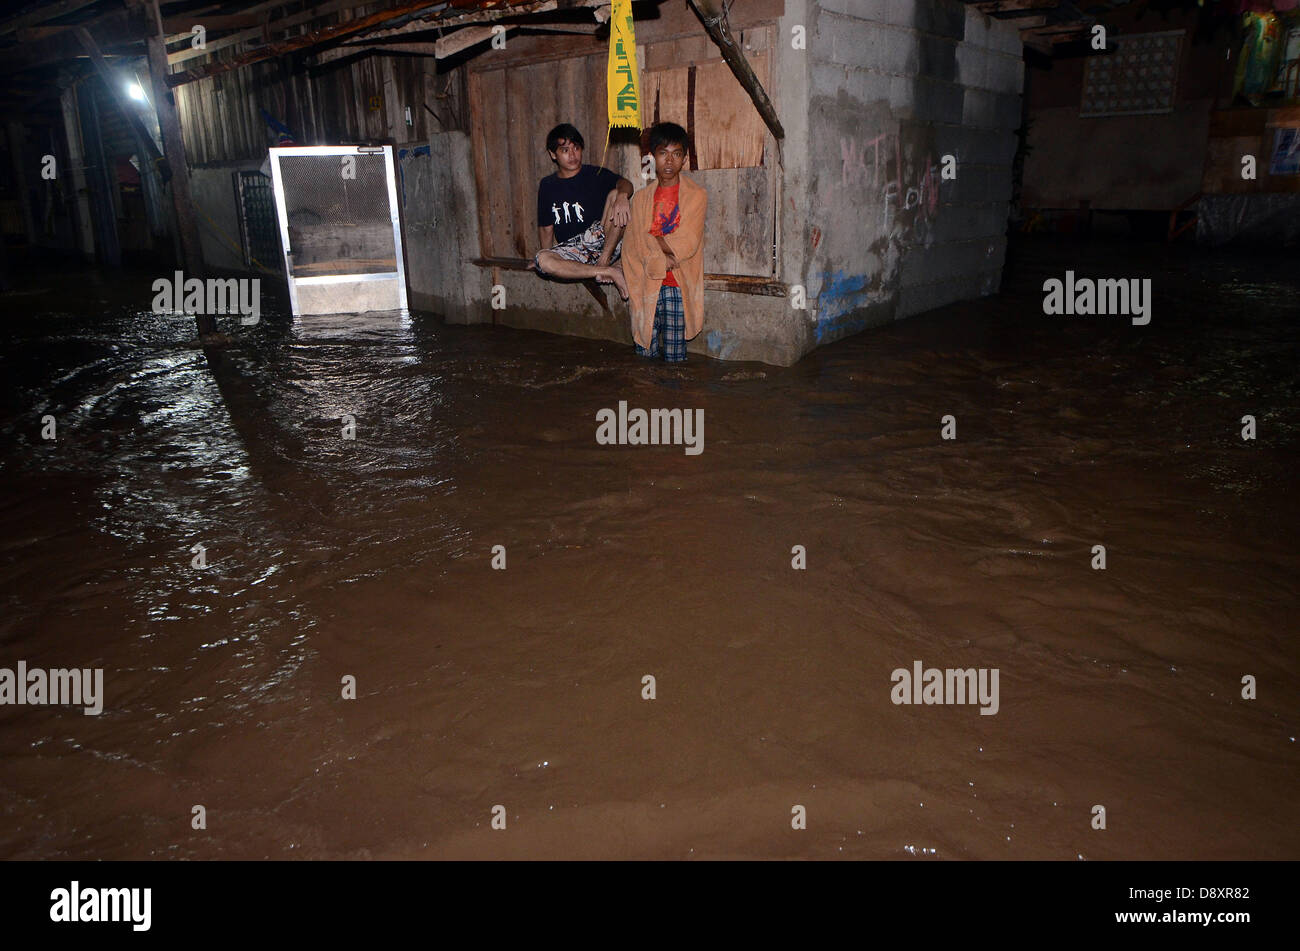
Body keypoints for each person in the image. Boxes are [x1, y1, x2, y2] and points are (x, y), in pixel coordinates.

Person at [620, 122, 707, 362]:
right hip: (645, 282)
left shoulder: (696, 196)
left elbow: (688, 242)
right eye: (663, 153)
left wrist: (653, 236)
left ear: (684, 159)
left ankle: (673, 398)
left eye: (676, 154)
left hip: (677, 285)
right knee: (644, 354)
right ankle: (649, 398)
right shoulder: (640, 200)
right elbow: (631, 247)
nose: (669, 161)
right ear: (652, 157)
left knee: (674, 358)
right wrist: (662, 257)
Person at [533, 123, 633, 300]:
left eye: (576, 148)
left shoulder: (595, 174)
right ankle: (606, 271)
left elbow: (625, 183)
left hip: (603, 242)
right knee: (542, 259)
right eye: (565, 150)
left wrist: (623, 196)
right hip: (575, 249)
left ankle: (605, 262)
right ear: (552, 154)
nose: (572, 155)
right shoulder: (548, 185)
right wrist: (547, 256)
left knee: (616, 194)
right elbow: (546, 228)